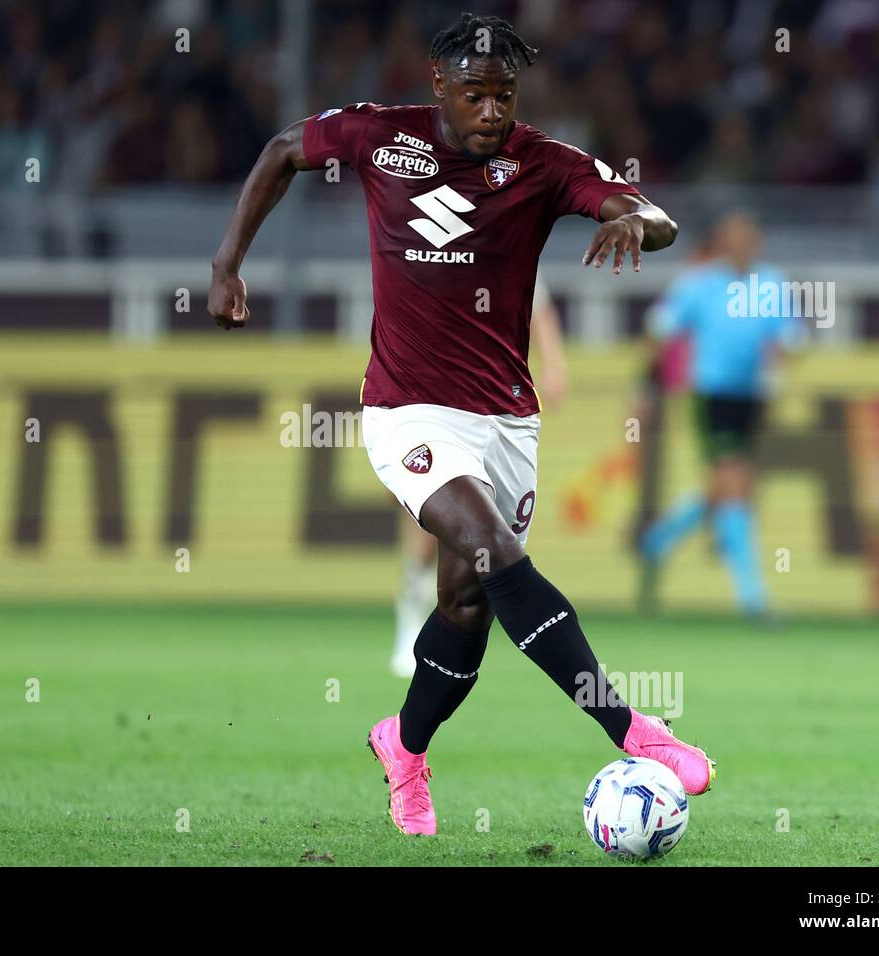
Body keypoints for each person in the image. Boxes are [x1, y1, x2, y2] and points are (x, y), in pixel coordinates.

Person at [208, 12, 714, 836]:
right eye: (475, 95)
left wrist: (634, 224)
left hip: (506, 420)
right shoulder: (380, 136)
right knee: (495, 552)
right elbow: (280, 152)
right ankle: (634, 729)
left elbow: (656, 216)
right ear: (438, 84)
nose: (491, 112)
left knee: (467, 605)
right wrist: (228, 263)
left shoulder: (543, 163)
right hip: (406, 409)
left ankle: (402, 745)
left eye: (504, 96)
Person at [391, 279, 565, 678]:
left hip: (492, 415)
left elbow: (537, 304)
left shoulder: (505, 242)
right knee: (427, 536)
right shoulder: (427, 252)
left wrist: (553, 364)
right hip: (430, 409)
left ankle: (451, 647)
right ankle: (409, 624)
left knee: (491, 537)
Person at [638, 212, 805, 618]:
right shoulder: (700, 283)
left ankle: (657, 542)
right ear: (722, 242)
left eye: (748, 237)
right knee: (735, 486)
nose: (742, 244)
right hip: (712, 395)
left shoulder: (771, 284)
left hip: (752, 398)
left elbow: (790, 337)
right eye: (733, 237)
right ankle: (753, 598)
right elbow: (660, 329)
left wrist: (779, 364)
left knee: (726, 487)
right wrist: (645, 388)